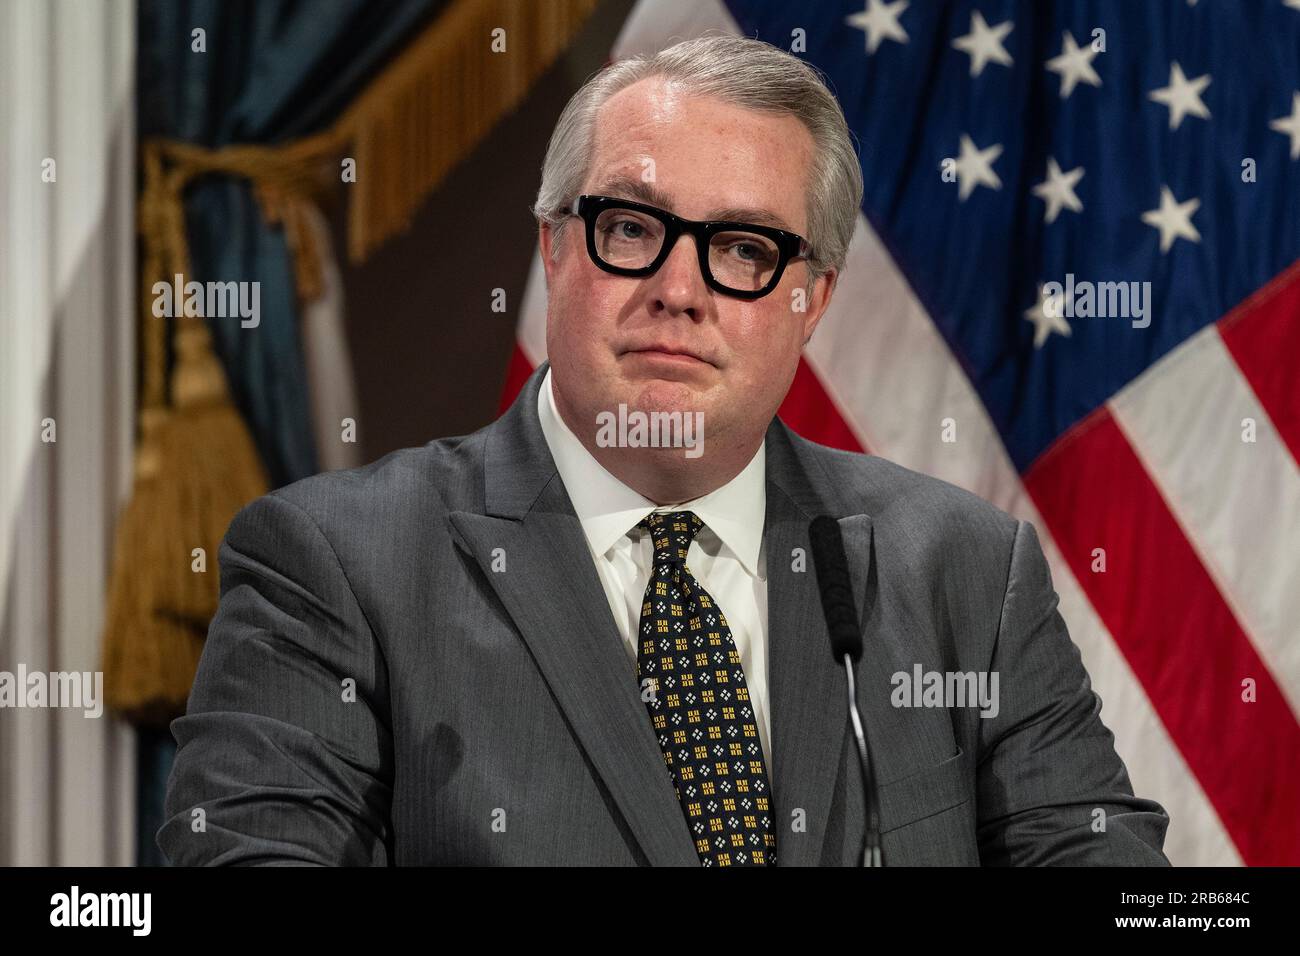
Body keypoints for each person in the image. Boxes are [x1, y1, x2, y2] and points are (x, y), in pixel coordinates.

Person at [159, 35, 1169, 866]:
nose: (679, 289)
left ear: (809, 297)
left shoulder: (961, 568)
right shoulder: (340, 567)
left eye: (741, 248)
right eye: (633, 226)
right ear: (556, 247)